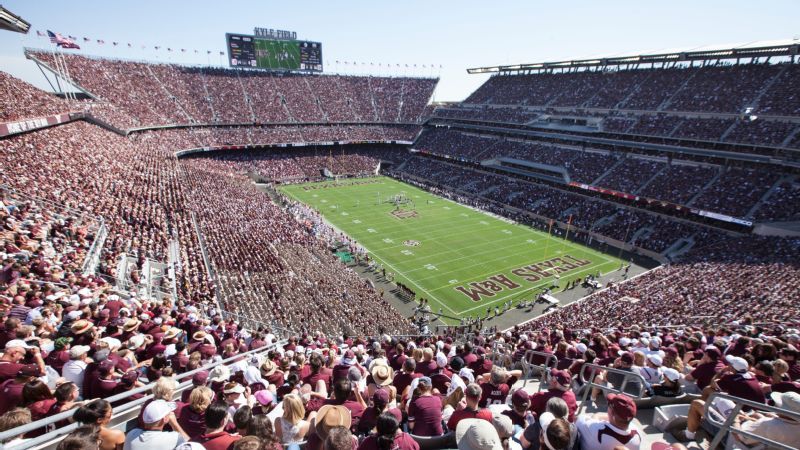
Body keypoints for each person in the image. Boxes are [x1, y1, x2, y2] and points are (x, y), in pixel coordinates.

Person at [731, 391, 800, 448]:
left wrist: (735, 419)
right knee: (757, 415)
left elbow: (739, 437)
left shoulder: (767, 424)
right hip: (776, 444)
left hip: (747, 444)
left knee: (727, 422)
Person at [576, 393, 641, 450]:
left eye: (609, 405)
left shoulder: (594, 428)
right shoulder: (638, 434)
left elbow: (577, 419)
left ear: (612, 413)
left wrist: (596, 417)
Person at [124, 399, 189, 450]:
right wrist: (175, 424)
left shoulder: (131, 434)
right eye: (168, 413)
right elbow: (191, 445)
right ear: (165, 419)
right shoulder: (174, 438)